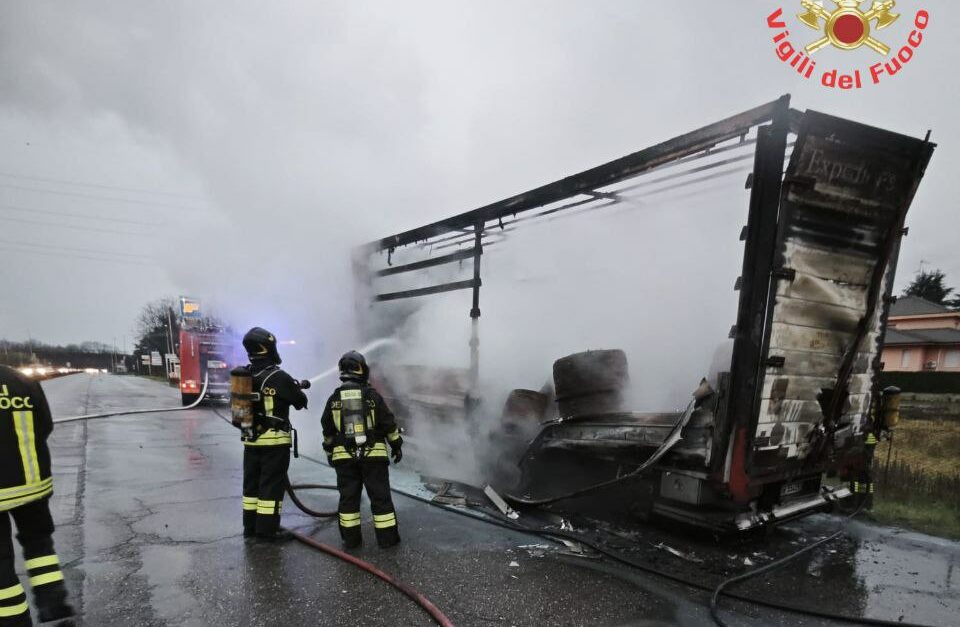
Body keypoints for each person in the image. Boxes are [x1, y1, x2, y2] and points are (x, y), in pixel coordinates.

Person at [0, 365, 74, 626]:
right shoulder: (21, 381)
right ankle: (54, 606)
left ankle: (13, 621)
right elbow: (44, 425)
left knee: (1, 568)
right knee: (40, 547)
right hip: (31, 484)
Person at [321, 351, 402, 548]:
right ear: (362, 370)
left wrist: (331, 453)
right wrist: (396, 445)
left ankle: (351, 540)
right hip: (373, 457)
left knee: (348, 500)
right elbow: (388, 424)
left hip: (344, 458)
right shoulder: (372, 396)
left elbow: (327, 430)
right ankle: (387, 541)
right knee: (380, 498)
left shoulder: (334, 399)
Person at [239, 327, 309, 541]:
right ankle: (267, 532)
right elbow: (300, 402)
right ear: (268, 348)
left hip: (251, 442)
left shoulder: (244, 375)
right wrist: (295, 388)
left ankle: (250, 528)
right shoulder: (279, 377)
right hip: (274, 444)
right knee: (270, 487)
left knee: (251, 487)